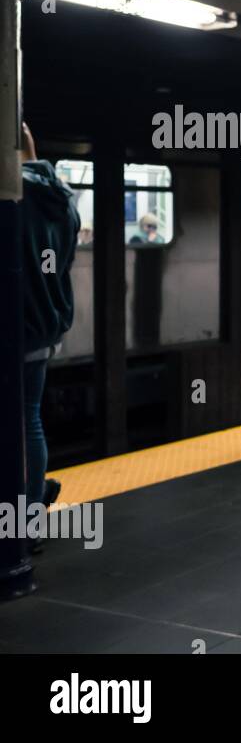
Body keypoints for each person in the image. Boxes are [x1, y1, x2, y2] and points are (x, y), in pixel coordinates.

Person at [19, 123, 79, 529]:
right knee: (30, 419)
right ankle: (30, 508)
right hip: (43, 326)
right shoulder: (62, 201)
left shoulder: (13, 199)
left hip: (12, 327)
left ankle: (21, 514)